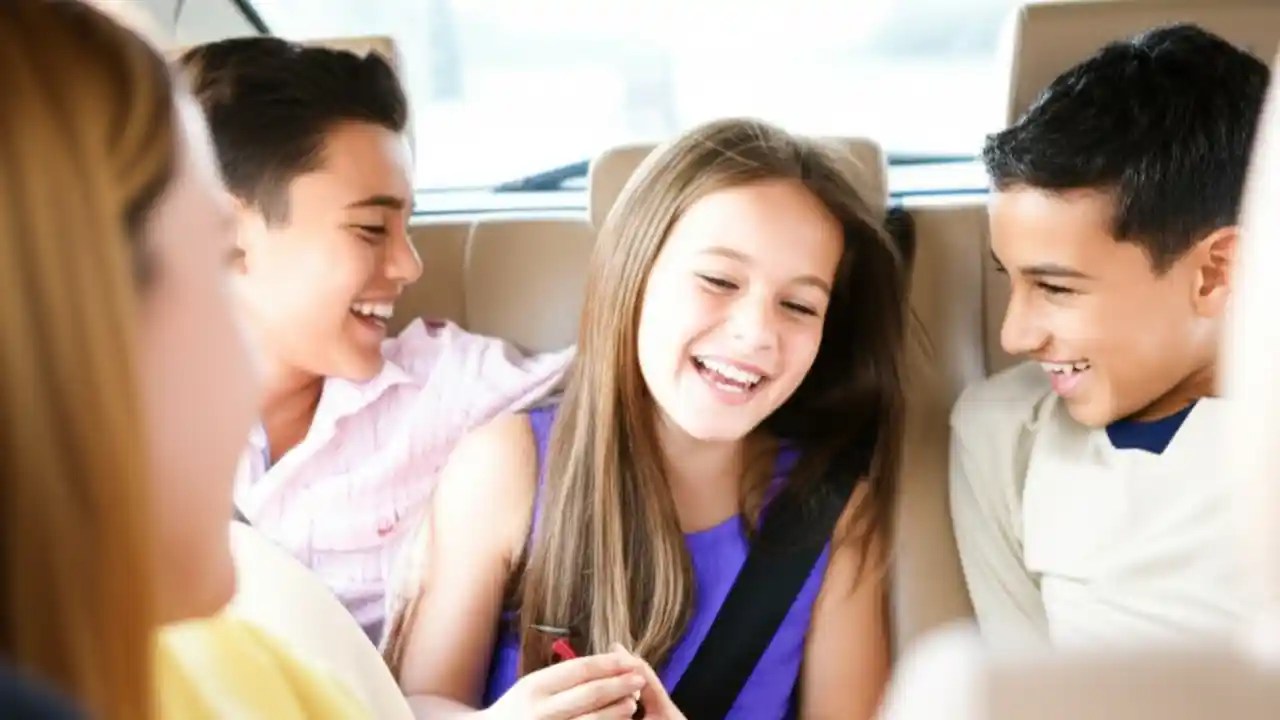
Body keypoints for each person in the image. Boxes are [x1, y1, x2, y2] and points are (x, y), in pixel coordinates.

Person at [389, 118, 907, 719]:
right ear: (632, 275)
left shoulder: (830, 510)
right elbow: (420, 703)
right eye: (718, 280)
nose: (757, 333)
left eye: (798, 305)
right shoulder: (510, 466)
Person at [0, 1, 370, 717]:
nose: (253, 369)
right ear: (70, 328)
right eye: (219, 264)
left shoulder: (261, 672)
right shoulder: (257, 678)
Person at [176, 38, 572, 642]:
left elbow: (629, 391)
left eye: (405, 228)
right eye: (370, 229)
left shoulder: (447, 390)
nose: (410, 266)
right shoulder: (96, 419)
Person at [950, 23, 1270, 647]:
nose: (1013, 335)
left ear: (1215, 272)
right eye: (1009, 280)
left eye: (1057, 288)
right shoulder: (1005, 433)